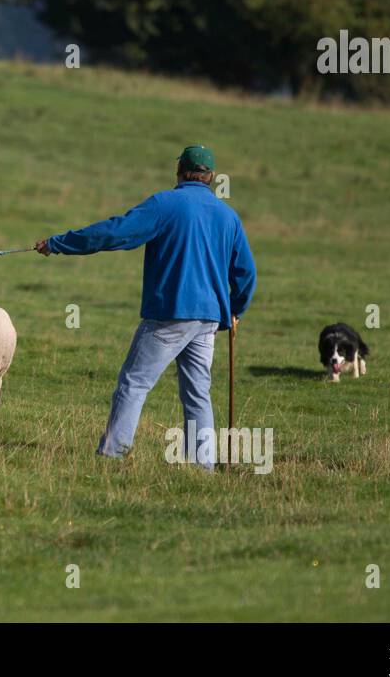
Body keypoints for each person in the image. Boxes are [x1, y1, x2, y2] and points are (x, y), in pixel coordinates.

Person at [35, 145, 256, 467]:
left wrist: (59, 243)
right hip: (209, 318)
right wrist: (236, 309)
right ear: (210, 176)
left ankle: (112, 454)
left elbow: (115, 232)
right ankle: (202, 465)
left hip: (170, 312)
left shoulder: (165, 204)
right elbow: (246, 273)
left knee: (134, 382)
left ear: (179, 170)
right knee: (197, 394)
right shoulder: (228, 216)